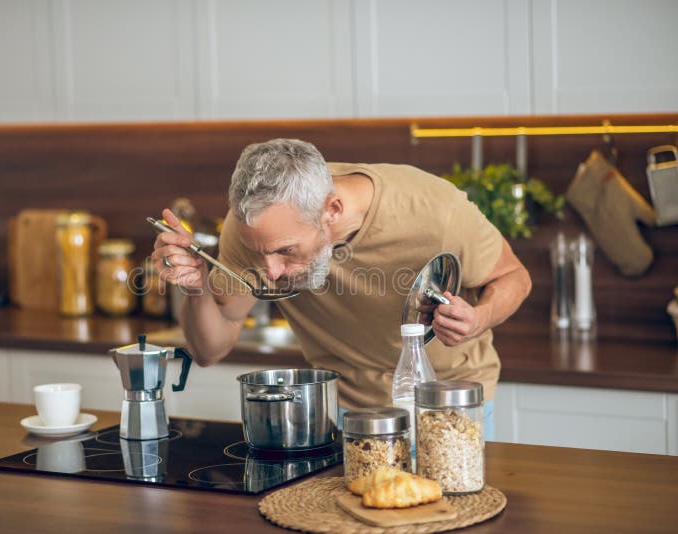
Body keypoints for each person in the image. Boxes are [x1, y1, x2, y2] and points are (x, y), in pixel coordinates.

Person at [152, 138, 531, 440]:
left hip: (449, 405)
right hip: (347, 415)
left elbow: (515, 276)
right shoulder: (254, 228)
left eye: (287, 251)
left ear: (331, 209)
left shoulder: (434, 210)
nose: (271, 271)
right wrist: (197, 286)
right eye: (260, 254)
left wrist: (479, 318)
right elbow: (208, 350)